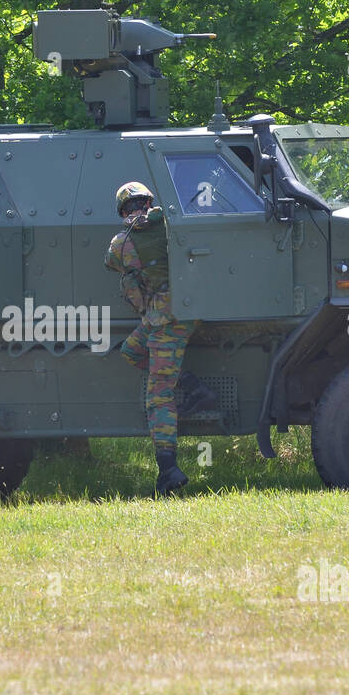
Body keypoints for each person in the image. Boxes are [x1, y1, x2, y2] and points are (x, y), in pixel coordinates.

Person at [105, 181, 217, 495]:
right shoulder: (171, 222)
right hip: (177, 310)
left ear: (123, 211)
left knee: (158, 397)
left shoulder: (122, 241)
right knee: (131, 350)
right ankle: (193, 386)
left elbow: (111, 262)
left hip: (166, 319)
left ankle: (169, 470)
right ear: (149, 202)